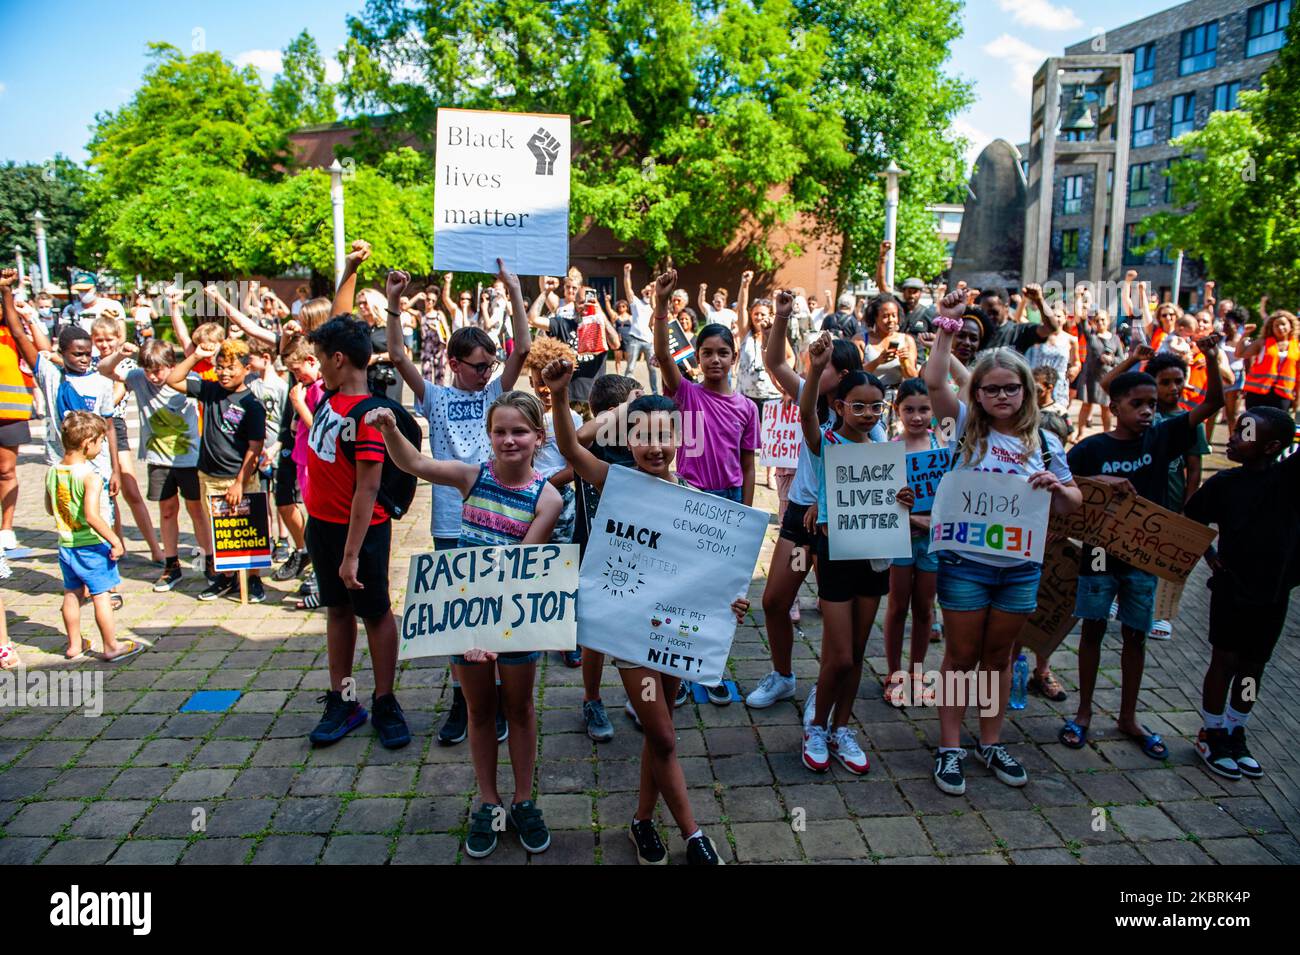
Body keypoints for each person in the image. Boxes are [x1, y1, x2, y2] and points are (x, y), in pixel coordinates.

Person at [543, 353, 738, 865]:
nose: (655, 446)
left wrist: (730, 602)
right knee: (667, 736)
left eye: (665, 435)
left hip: (677, 632)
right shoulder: (613, 480)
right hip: (630, 634)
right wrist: (561, 396)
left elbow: (712, 573)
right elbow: (566, 446)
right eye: (644, 435)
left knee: (660, 733)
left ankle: (642, 821)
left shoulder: (694, 496)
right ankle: (695, 836)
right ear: (628, 441)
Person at [369, 392, 560, 859]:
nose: (509, 440)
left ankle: (523, 799)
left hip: (515, 620)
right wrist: (390, 427)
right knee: (478, 712)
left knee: (518, 709)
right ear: (488, 435)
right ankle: (489, 802)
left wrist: (492, 635)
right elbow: (414, 463)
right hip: (466, 616)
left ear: (538, 437)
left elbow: (520, 569)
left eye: (519, 431)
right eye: (500, 431)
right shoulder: (471, 476)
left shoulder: (548, 498)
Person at [924, 292, 1082, 795]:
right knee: (959, 656)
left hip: (1019, 566)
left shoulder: (1046, 443)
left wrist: (1058, 489)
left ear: (1026, 391)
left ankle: (990, 742)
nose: (1000, 397)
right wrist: (947, 323)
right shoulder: (964, 432)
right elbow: (933, 380)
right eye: (989, 390)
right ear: (977, 396)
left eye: (1010, 388)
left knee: (1000, 658)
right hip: (966, 565)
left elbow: (1072, 501)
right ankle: (950, 747)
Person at [384, 262, 532, 745]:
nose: (487, 371)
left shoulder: (496, 392)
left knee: (498, 607)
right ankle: (462, 699)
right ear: (453, 363)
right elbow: (396, 354)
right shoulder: (435, 397)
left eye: (491, 364)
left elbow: (524, 349)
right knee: (458, 614)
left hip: (499, 520)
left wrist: (513, 291)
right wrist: (393, 304)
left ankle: (503, 701)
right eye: (478, 364)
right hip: (452, 523)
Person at [1060, 335, 1225, 758]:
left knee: (1137, 635)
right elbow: (1060, 489)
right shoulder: (1091, 448)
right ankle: (1083, 713)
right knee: (1092, 629)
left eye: (1153, 403)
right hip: (1098, 553)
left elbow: (1211, 407)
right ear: (1115, 408)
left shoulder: (1165, 437)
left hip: (1142, 556)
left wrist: (1210, 356)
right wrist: (1101, 484)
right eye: (1139, 404)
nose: (1149, 410)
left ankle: (1128, 716)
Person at [797, 333, 913, 774]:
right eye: (857, 406)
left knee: (859, 651)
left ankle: (841, 728)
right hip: (836, 556)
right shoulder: (826, 443)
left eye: (875, 407)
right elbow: (806, 410)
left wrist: (902, 498)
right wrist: (815, 366)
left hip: (877, 556)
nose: (866, 414)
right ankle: (816, 725)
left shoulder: (886, 454)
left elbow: (899, 501)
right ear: (840, 405)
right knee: (840, 655)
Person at [301, 316, 411, 755]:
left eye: (322, 358)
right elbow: (337, 321)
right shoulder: (330, 397)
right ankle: (343, 699)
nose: (317, 365)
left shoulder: (368, 416)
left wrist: (350, 556)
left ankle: (385, 700)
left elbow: (367, 489)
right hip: (322, 526)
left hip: (360, 534)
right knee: (338, 610)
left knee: (376, 612)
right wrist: (348, 268)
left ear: (339, 359)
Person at [748, 290, 864, 709]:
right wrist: (781, 316)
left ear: (845, 372)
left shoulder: (864, 414)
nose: (815, 363)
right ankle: (783, 676)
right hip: (800, 519)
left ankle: (826, 689)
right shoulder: (809, 398)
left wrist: (828, 504)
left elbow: (870, 473)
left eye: (826, 361)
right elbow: (776, 363)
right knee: (775, 601)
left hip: (838, 525)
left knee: (838, 621)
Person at [653, 268, 758, 706]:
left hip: (730, 502)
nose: (715, 359)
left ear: (734, 358)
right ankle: (677, 668)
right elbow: (661, 354)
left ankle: (710, 667)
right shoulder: (687, 394)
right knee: (683, 589)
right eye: (707, 353)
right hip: (690, 502)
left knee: (719, 593)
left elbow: (748, 464)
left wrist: (747, 517)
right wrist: (660, 307)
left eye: (723, 353)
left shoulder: (748, 407)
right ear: (696, 357)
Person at [1186, 407, 1298, 781]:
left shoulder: (1289, 481)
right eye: (1235, 430)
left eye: (1245, 434)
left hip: (1274, 593)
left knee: (1253, 667)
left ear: (1273, 447)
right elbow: (1192, 519)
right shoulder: (1224, 484)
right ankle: (1212, 731)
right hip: (1232, 590)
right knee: (1225, 661)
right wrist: (1210, 554)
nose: (1233, 438)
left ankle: (1236, 730)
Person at [100, 340, 209, 593]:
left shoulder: (186, 380)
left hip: (189, 459)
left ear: (171, 366)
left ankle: (208, 560)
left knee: (196, 510)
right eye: (149, 370)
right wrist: (119, 355)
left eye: (159, 370)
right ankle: (171, 565)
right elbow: (105, 370)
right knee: (167, 510)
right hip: (158, 459)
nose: (154, 376)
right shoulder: (139, 378)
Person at [166, 339, 268, 603]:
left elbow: (254, 448)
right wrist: (196, 355)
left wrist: (239, 483)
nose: (224, 373)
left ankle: (253, 578)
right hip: (209, 476)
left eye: (231, 368)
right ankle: (226, 577)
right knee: (219, 531)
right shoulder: (209, 390)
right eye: (220, 367)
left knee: (247, 530)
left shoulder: (252, 405)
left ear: (246, 368)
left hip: (239, 478)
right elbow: (173, 379)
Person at [571, 373, 641, 740]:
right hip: (595, 554)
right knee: (595, 634)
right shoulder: (594, 445)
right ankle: (592, 699)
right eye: (634, 404)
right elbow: (576, 439)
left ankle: (640, 697)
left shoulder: (640, 444)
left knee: (638, 625)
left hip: (638, 555)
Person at [45, 411, 143, 662]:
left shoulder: (53, 472)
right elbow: (92, 515)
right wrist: (115, 540)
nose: (101, 447)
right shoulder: (90, 476)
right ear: (88, 442)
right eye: (100, 441)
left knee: (71, 594)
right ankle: (111, 646)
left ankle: (74, 644)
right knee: (102, 596)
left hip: (66, 545)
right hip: (91, 546)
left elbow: (49, 507)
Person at [883, 378, 946, 705]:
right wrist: (911, 520)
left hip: (932, 541)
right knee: (897, 607)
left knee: (925, 609)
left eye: (924, 409)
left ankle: (917, 673)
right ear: (898, 410)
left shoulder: (942, 451)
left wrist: (929, 522)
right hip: (900, 539)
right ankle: (894, 674)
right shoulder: (891, 449)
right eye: (909, 409)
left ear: (934, 411)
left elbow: (950, 500)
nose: (917, 416)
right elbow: (881, 502)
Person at [91, 315, 164, 564]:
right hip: (92, 428)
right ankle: (117, 543)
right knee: (107, 493)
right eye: (98, 339)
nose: (104, 344)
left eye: (108, 339)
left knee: (130, 488)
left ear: (118, 338)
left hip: (115, 425)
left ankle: (154, 547)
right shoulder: (89, 362)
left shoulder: (125, 365)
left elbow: (117, 394)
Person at [0, 269, 37, 553]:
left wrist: (7, 291)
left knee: (6, 470)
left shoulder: (11, 332)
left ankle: (7, 528)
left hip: (9, 411)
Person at [1075, 310, 1124, 440]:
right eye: (1097, 320)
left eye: (1103, 320)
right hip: (1090, 377)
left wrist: (1111, 360)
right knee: (1086, 406)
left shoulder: (1115, 339)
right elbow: (1082, 321)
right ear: (1094, 322)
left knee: (1106, 408)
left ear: (1108, 321)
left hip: (1107, 378)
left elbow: (1122, 359)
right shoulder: (1091, 335)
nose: (1100, 323)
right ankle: (1080, 433)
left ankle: (1108, 434)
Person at [1239, 310, 1299, 412]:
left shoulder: (1297, 347)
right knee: (1254, 426)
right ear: (1271, 328)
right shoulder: (1263, 343)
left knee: (1278, 426)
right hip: (1257, 394)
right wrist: (1244, 335)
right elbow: (1240, 354)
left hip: (1282, 395)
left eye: (1283, 324)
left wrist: (1297, 399)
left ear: (1291, 326)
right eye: (1276, 325)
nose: (1280, 328)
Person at [621, 263, 658, 394]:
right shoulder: (636, 303)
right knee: (630, 367)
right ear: (642, 292)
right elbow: (628, 288)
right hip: (634, 339)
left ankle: (654, 392)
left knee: (652, 369)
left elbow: (658, 307)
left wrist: (654, 290)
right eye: (646, 290)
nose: (648, 292)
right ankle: (624, 391)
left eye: (650, 290)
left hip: (649, 341)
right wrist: (627, 273)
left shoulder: (654, 305)